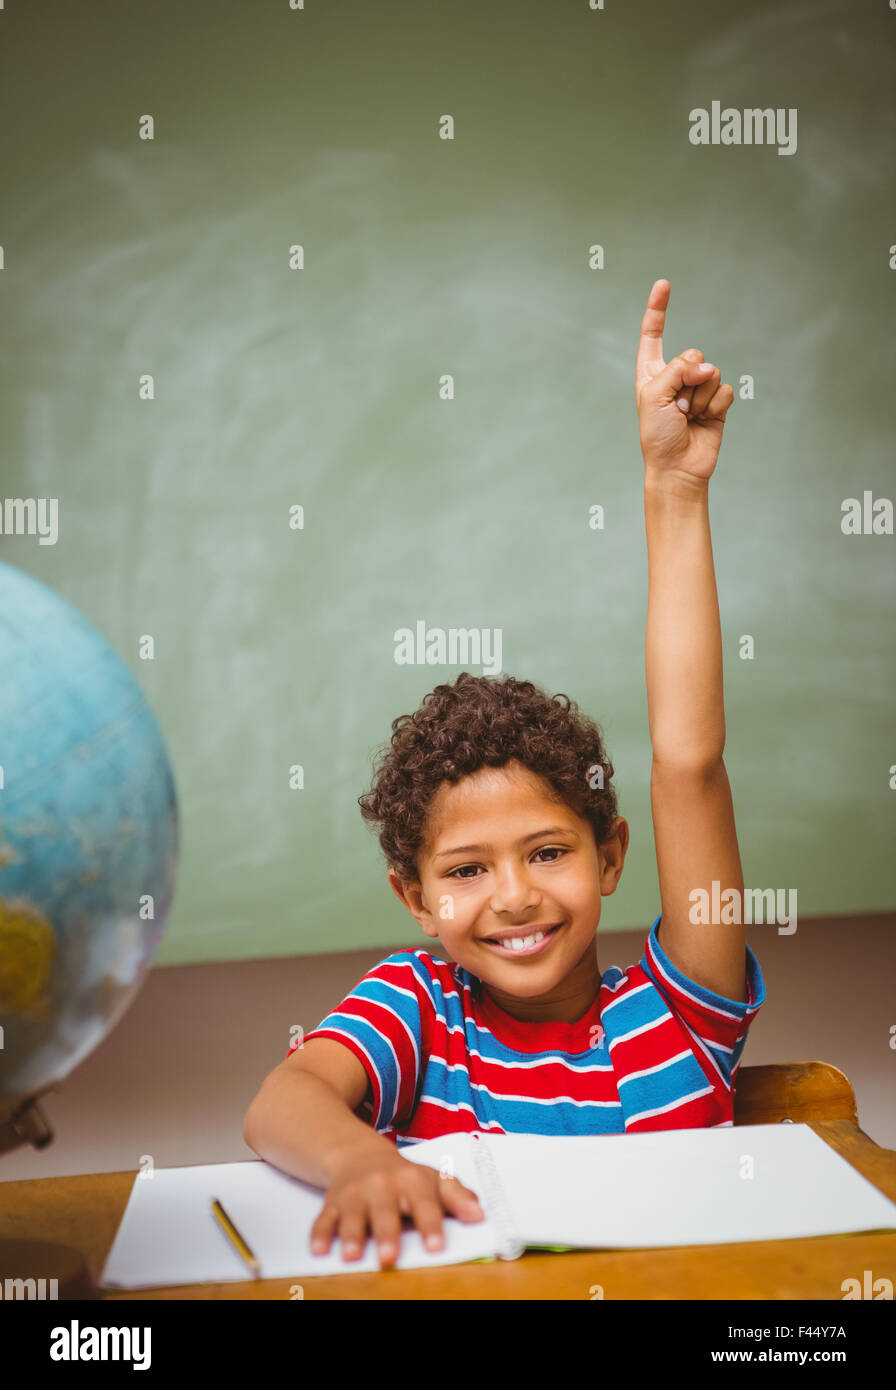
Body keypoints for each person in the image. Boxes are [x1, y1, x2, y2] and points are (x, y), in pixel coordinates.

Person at [243, 279, 765, 1269]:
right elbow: (280, 1102)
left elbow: (687, 762)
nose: (514, 895)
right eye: (466, 869)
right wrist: (359, 1164)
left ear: (610, 855)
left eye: (546, 850)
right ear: (413, 894)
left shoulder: (682, 1006)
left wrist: (674, 492)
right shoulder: (419, 1008)